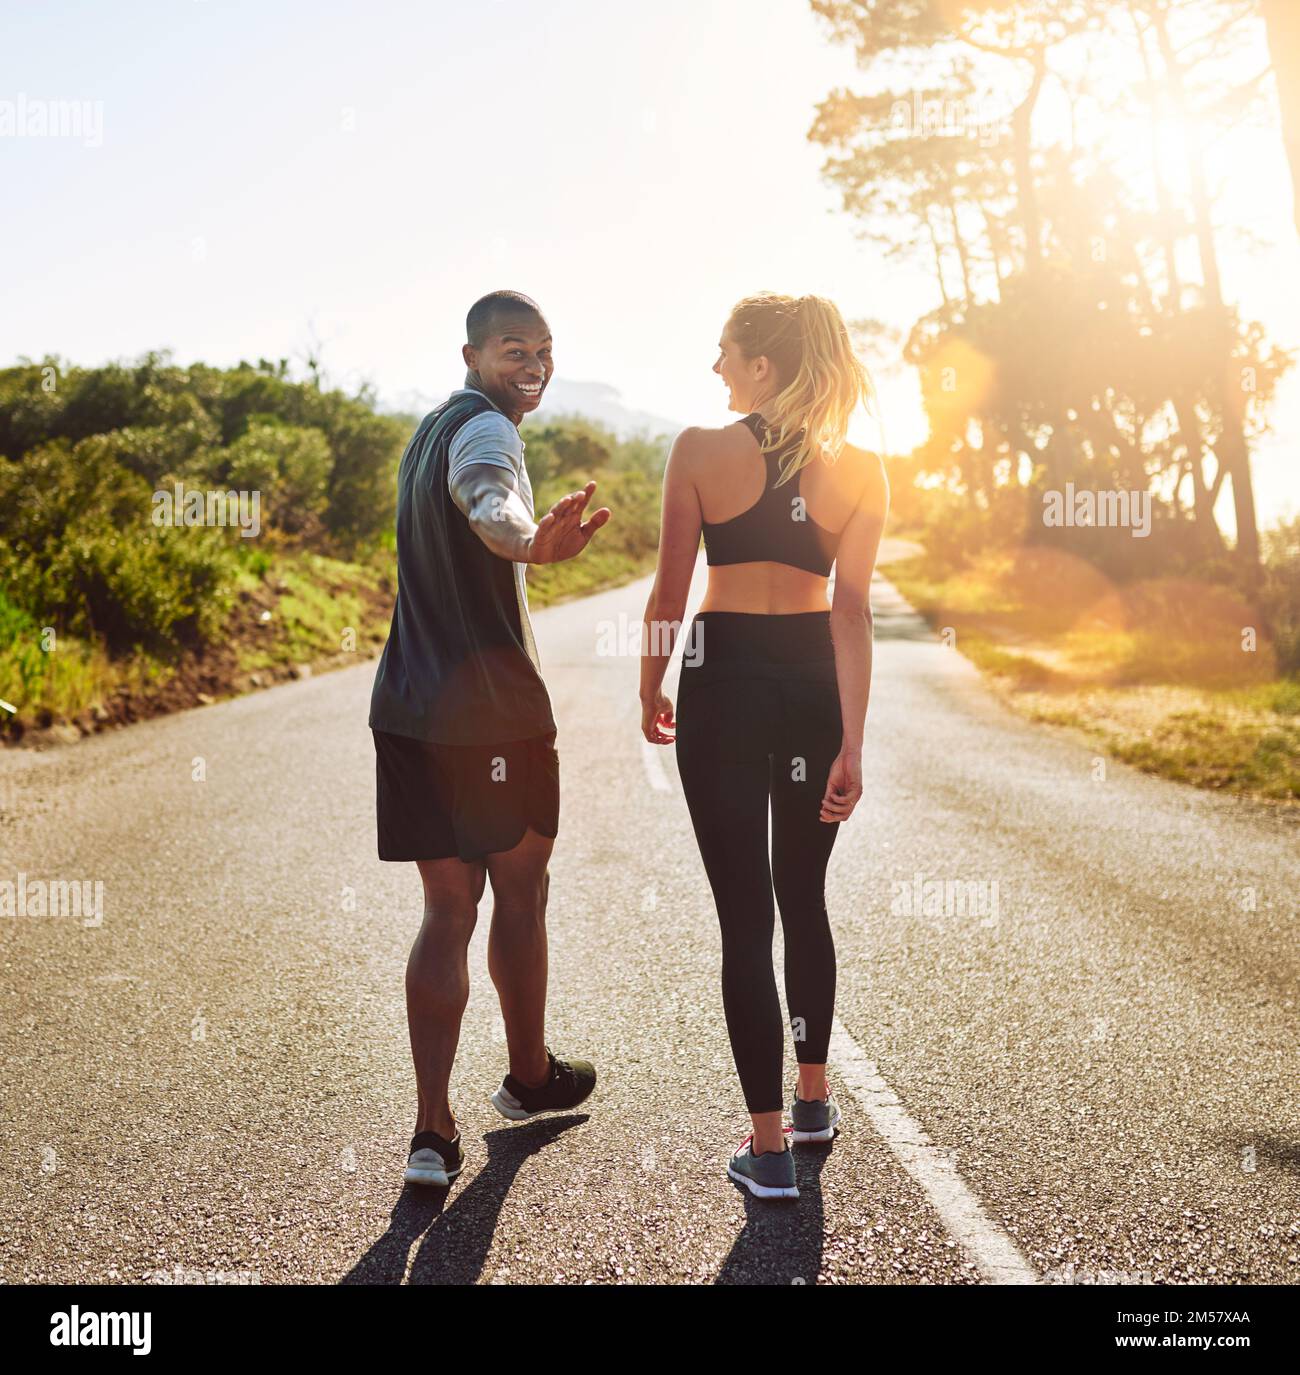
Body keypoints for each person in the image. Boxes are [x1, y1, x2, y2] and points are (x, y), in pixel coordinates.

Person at [639, 292, 888, 1200]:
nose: (714, 368)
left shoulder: (699, 451)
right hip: (814, 685)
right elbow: (852, 613)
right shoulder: (862, 469)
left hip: (724, 679)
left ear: (762, 367)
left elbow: (671, 595)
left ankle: (768, 1148)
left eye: (725, 351)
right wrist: (852, 743)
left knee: (746, 917)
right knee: (804, 894)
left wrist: (649, 685)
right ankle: (814, 1097)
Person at [369, 289, 611, 1188]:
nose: (534, 366)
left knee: (446, 910)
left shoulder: (424, 431)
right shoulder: (483, 432)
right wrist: (528, 544)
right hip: (494, 714)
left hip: (407, 707)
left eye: (545, 350)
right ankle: (530, 1073)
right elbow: (490, 497)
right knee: (520, 890)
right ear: (471, 355)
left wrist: (519, 543)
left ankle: (432, 1134)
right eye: (515, 349)